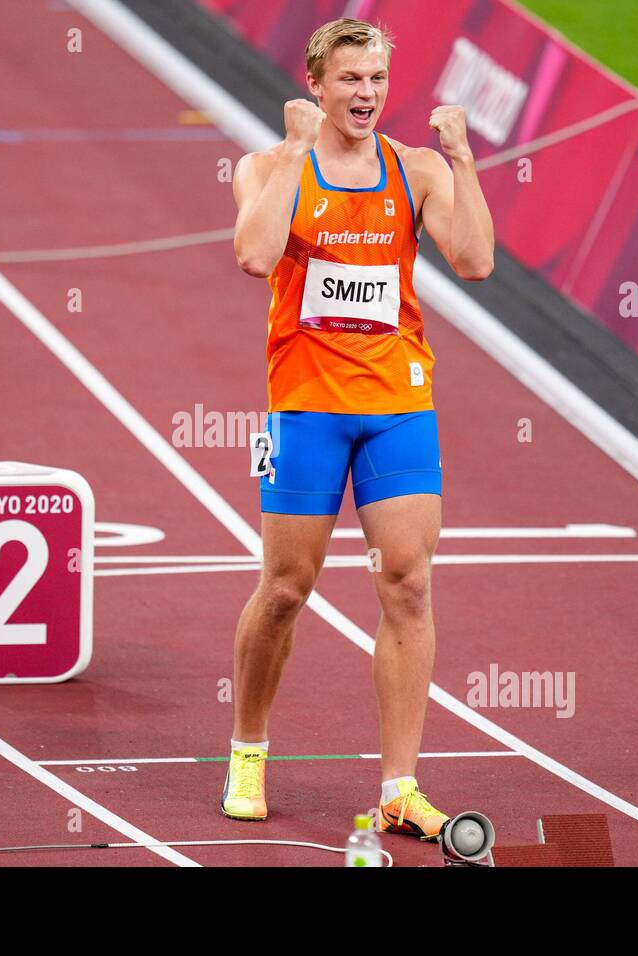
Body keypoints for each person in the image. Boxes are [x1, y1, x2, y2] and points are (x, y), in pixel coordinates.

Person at [224, 17, 494, 840]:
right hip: (305, 406)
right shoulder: (269, 166)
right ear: (316, 83)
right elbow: (256, 256)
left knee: (409, 585)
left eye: (377, 79)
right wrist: (299, 156)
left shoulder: (411, 171)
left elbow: (476, 261)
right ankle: (247, 749)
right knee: (285, 591)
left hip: (398, 406)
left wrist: (463, 161)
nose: (366, 95)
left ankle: (400, 788)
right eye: (350, 80)